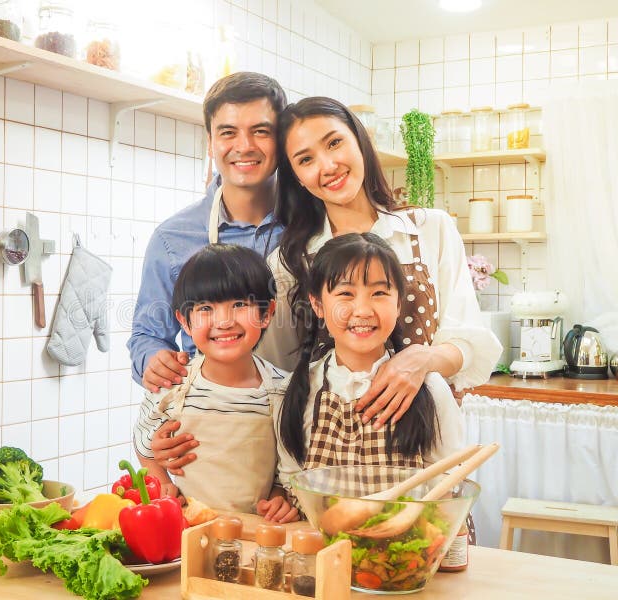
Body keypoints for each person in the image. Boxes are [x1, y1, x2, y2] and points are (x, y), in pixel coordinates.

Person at [256, 96, 501, 430]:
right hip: (327, 449)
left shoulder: (430, 228)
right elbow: (275, 372)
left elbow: (470, 341)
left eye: (334, 142)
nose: (327, 166)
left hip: (424, 438)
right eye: (306, 159)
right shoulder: (291, 261)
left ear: (360, 141)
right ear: (297, 177)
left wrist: (422, 360)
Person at [128, 72, 287, 394]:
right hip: (216, 415)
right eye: (228, 132)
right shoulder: (172, 239)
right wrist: (154, 360)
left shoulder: (318, 222)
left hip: (307, 417)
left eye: (260, 131)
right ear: (211, 142)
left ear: (282, 139)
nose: (244, 146)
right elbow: (147, 336)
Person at [272, 233, 464, 499]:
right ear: (317, 304)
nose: (362, 310)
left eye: (379, 293)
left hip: (409, 539)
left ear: (398, 304)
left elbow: (447, 485)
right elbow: (293, 482)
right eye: (345, 293)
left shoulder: (429, 388)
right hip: (325, 539)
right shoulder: (294, 392)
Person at [132, 244, 297, 523]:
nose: (223, 321)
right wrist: (161, 482)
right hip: (187, 527)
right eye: (206, 308)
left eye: (240, 305)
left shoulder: (283, 389)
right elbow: (144, 444)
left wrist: (280, 496)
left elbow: (286, 467)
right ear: (184, 321)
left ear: (266, 313)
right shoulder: (172, 385)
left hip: (254, 532)